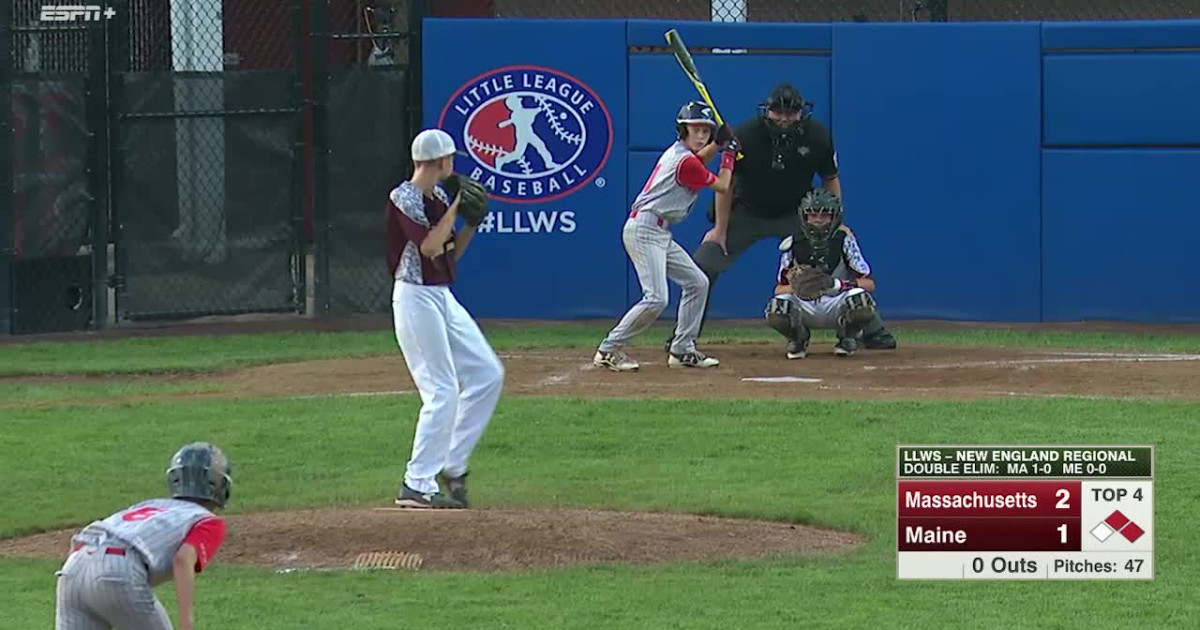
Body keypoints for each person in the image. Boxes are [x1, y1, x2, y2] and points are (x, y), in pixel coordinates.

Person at [671, 82, 897, 350]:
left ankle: (872, 330)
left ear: (802, 113)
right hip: (747, 211)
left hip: (797, 213)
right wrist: (720, 229)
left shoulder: (817, 136)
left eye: (790, 113)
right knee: (703, 265)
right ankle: (684, 337)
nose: (783, 118)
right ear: (767, 111)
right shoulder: (747, 134)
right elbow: (726, 185)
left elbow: (830, 179)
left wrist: (838, 224)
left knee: (838, 250)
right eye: (778, 112)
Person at [388, 128, 504, 509]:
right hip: (414, 297)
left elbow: (450, 253)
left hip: (439, 295)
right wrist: (457, 207)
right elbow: (428, 245)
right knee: (441, 390)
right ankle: (416, 483)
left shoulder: (437, 196)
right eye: (449, 159)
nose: (453, 166)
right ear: (437, 162)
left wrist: (471, 223)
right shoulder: (404, 197)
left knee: (488, 373)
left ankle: (452, 465)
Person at [592, 101, 738, 371]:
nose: (701, 135)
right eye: (695, 129)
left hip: (659, 231)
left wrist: (718, 145)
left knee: (697, 283)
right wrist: (728, 155)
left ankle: (683, 349)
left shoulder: (683, 154)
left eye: (706, 131)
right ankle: (609, 349)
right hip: (644, 230)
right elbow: (722, 184)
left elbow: (697, 161)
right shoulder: (683, 161)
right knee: (656, 298)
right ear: (683, 130)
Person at [54, 442, 233, 630]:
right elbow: (183, 559)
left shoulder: (150, 505)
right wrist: (186, 623)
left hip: (73, 569)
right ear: (219, 484)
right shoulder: (207, 520)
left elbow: (81, 543)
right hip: (117, 570)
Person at [765, 189, 888, 358]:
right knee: (777, 308)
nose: (818, 221)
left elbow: (869, 283)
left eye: (824, 216)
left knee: (861, 301)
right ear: (804, 217)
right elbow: (779, 289)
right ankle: (798, 338)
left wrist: (837, 284)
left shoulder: (844, 240)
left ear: (834, 217)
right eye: (813, 215)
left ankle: (847, 338)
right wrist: (801, 287)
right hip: (805, 305)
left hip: (836, 303)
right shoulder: (793, 243)